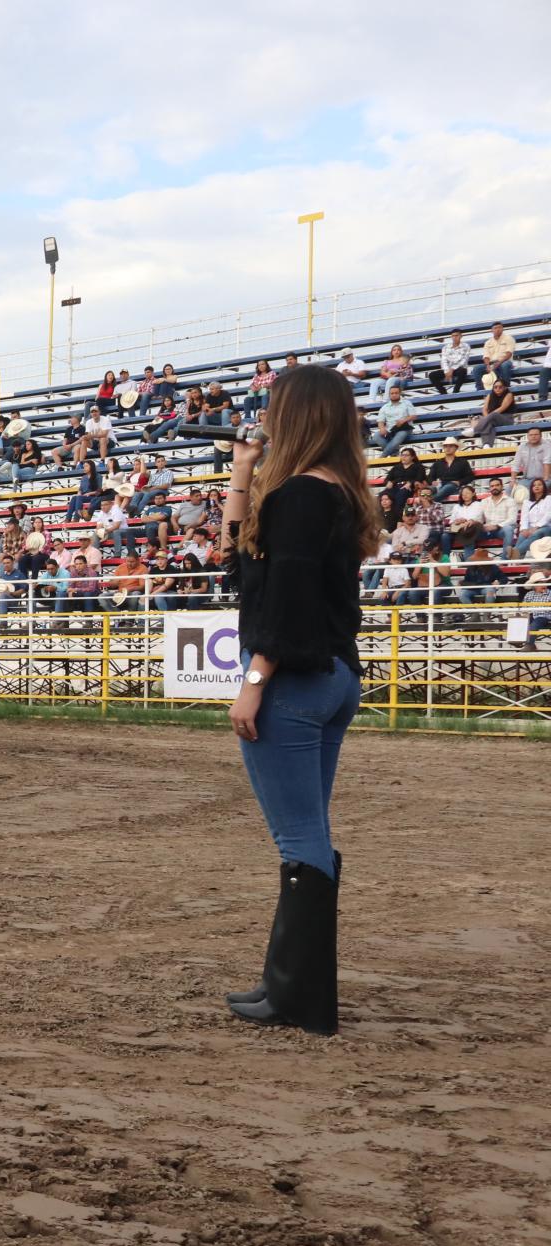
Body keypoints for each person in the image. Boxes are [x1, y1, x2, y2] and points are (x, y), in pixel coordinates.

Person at [221, 364, 380, 1036]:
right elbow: (238, 567)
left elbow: (280, 602)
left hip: (296, 680)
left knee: (300, 838)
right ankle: (291, 985)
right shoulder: (338, 492)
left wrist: (254, 681)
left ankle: (300, 999)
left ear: (299, 416)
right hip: (335, 675)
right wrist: (241, 475)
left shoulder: (299, 498)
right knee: (308, 834)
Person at [369, 383, 416, 453]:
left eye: (396, 393)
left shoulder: (407, 403)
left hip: (405, 428)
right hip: (390, 430)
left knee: (398, 437)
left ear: (400, 393)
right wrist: (382, 428)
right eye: (392, 393)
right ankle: (394, 453)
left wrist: (403, 421)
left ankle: (382, 457)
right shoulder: (384, 407)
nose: (394, 395)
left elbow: (414, 416)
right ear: (389, 394)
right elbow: (380, 421)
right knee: (376, 436)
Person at [470, 377, 516, 447]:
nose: (497, 389)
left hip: (506, 418)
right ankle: (486, 444)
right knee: (479, 419)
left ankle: (474, 430)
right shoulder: (489, 395)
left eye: (500, 387)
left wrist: (487, 418)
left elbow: (502, 408)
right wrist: (487, 419)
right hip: (492, 419)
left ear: (505, 388)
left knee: (493, 415)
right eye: (495, 387)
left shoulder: (509, 395)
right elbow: (484, 409)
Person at [429, 331, 471, 395]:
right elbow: (444, 360)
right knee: (432, 375)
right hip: (448, 370)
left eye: (456, 335)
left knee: (462, 371)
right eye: (453, 336)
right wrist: (446, 371)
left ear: (461, 336)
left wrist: (452, 369)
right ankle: (443, 393)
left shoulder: (466, 346)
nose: (454, 337)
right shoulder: (446, 347)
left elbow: (463, 360)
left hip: (459, 369)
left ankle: (455, 391)